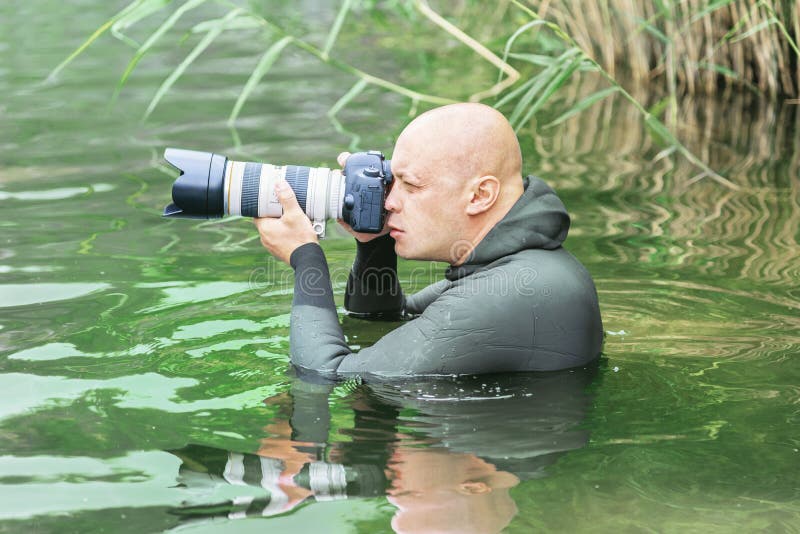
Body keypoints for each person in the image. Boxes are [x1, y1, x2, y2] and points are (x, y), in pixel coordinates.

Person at [253, 103, 603, 377]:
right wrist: (376, 243)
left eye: (411, 185)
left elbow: (326, 374)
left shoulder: (515, 291)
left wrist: (305, 257)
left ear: (480, 195)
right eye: (393, 182)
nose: (390, 202)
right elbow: (381, 320)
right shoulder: (514, 269)